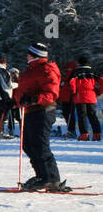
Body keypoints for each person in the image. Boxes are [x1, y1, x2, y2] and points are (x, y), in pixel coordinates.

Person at [14, 43, 66, 191]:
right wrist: (14, 101)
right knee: (28, 144)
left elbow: (51, 92)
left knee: (39, 145)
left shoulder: (46, 69)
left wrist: (34, 98)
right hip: (32, 111)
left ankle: (49, 178)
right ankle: (43, 176)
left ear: (35, 55)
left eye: (29, 53)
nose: (26, 56)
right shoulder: (31, 70)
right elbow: (24, 91)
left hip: (43, 110)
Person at [70, 58, 100, 141]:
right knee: (92, 115)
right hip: (91, 95)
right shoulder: (93, 71)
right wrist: (99, 91)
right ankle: (97, 134)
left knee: (82, 116)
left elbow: (72, 82)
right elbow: (101, 80)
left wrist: (74, 92)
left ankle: (84, 134)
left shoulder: (76, 72)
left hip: (80, 96)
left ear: (79, 63)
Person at [58, 60, 78, 138]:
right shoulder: (67, 75)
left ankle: (71, 131)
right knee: (68, 115)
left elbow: (70, 86)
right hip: (66, 98)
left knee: (69, 115)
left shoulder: (72, 75)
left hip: (69, 98)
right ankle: (70, 130)